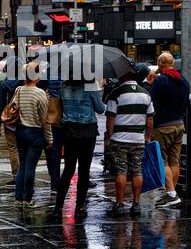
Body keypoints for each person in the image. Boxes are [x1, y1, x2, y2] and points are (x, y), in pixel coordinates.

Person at [104, 67, 154, 218]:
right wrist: (147, 137)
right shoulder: (145, 93)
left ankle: (119, 204)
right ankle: (136, 204)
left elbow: (110, 118)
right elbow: (150, 119)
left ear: (124, 75)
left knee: (121, 171)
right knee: (137, 171)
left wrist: (108, 137)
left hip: (119, 139)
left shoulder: (116, 93)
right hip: (138, 138)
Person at [56, 78, 104, 218]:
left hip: (69, 130)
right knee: (84, 170)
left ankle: (58, 206)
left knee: (68, 169)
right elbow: (100, 109)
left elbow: (61, 106)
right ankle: (80, 207)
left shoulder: (64, 86)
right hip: (87, 130)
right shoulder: (90, 87)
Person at [149, 51, 189, 208]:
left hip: (162, 126)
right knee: (174, 159)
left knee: (162, 160)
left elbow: (151, 105)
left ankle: (171, 193)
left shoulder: (161, 82)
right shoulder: (184, 81)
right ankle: (171, 193)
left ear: (160, 64)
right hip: (179, 124)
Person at [12, 64, 52, 208]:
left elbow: (13, 108)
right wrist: (49, 139)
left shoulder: (19, 90)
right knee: (30, 168)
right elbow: (45, 120)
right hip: (35, 133)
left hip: (21, 132)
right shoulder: (40, 93)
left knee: (22, 167)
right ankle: (28, 199)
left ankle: (18, 198)